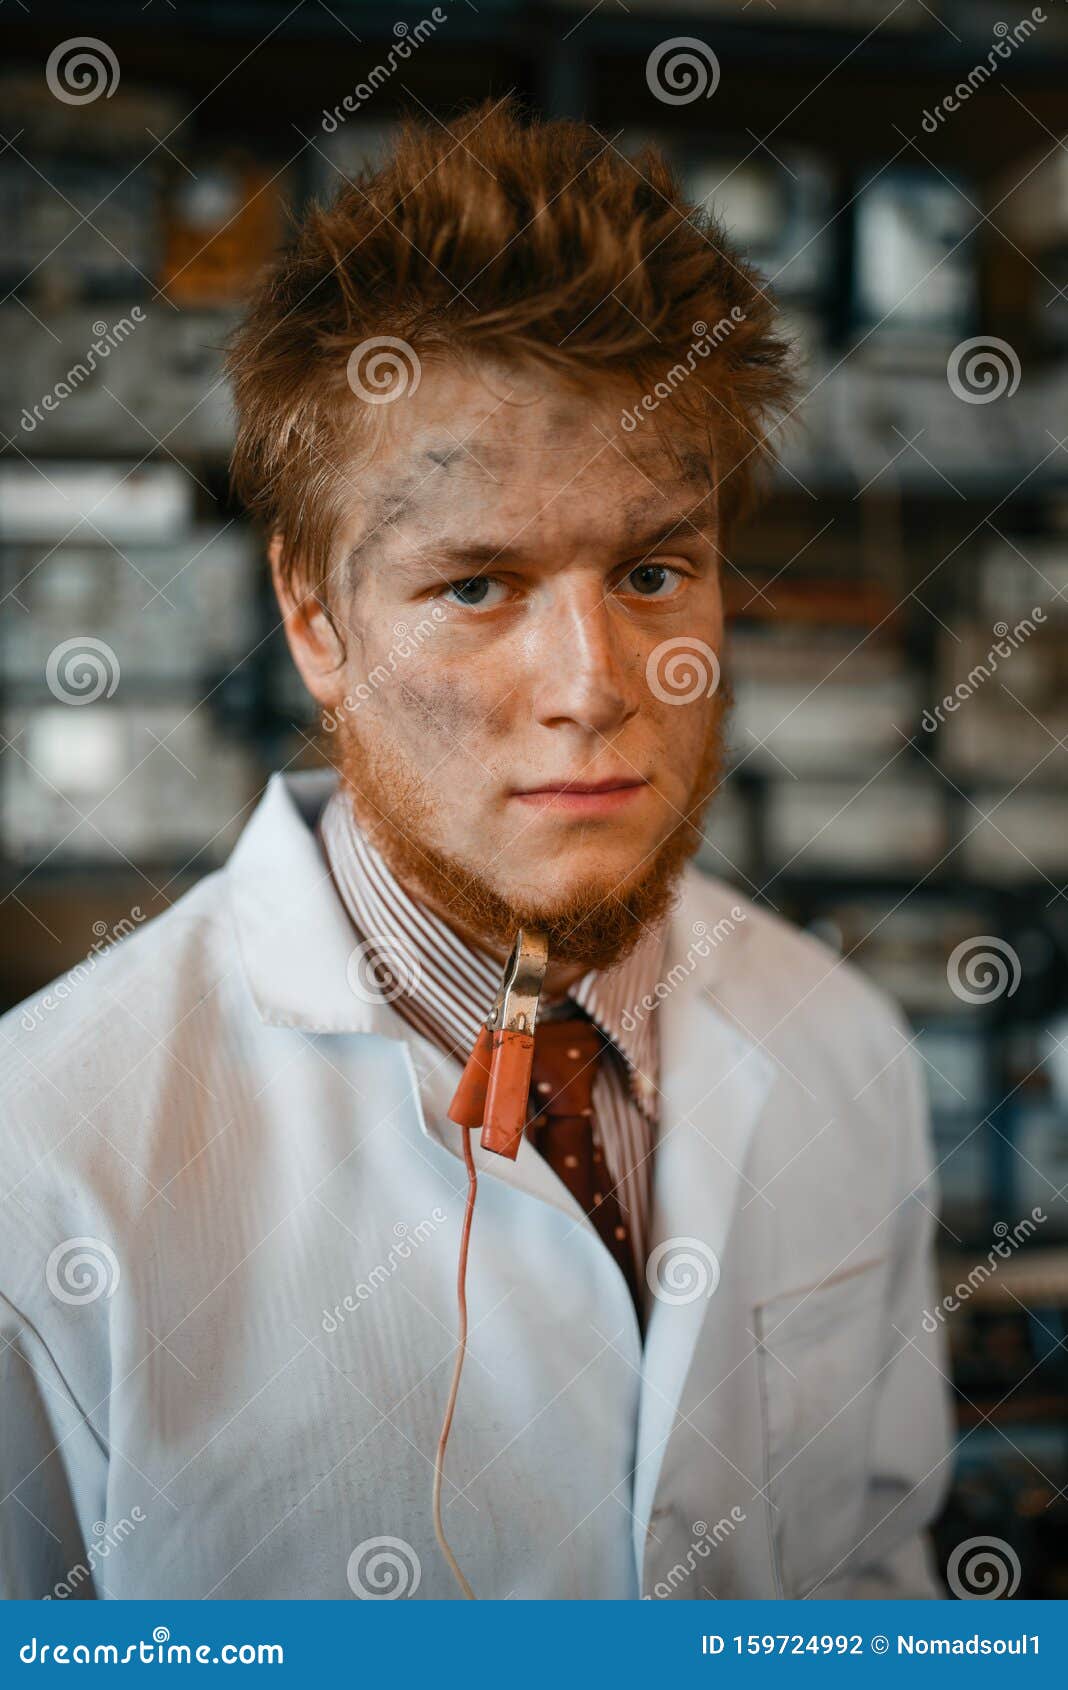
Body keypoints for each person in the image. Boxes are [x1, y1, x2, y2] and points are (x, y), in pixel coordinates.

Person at [0, 99, 951, 1601]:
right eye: (477, 585)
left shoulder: (847, 1047)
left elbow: (871, 1584)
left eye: (653, 570)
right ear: (316, 620)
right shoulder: (43, 1158)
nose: (595, 681)